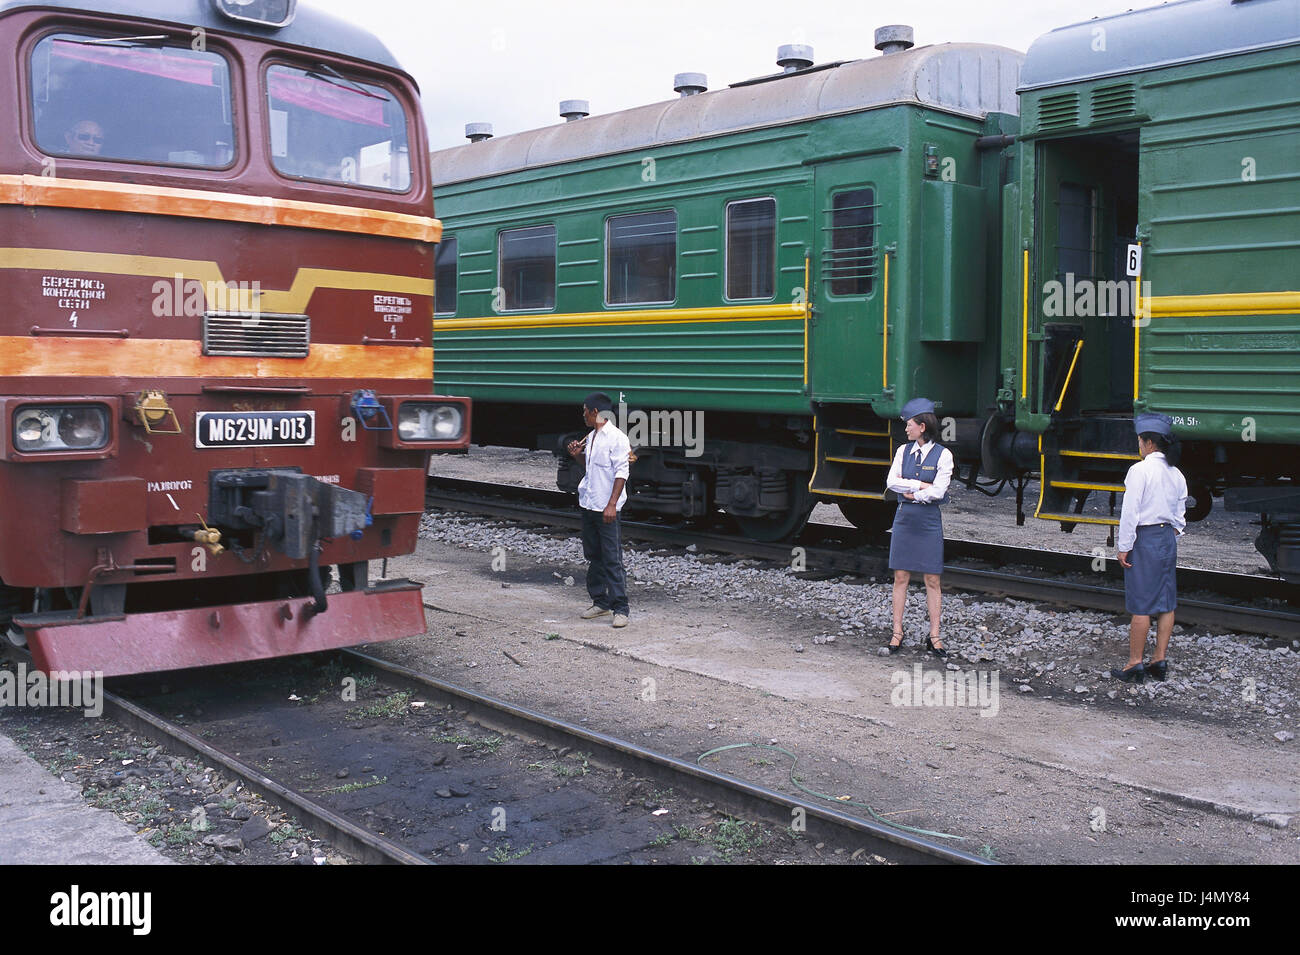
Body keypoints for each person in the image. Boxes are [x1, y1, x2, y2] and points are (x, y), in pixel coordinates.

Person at [1111, 412, 1188, 683]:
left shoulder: (1139, 471)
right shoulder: (1176, 473)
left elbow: (1130, 512)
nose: (1139, 445)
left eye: (1139, 441)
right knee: (1166, 603)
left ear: (1149, 443)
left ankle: (1135, 664)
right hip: (1166, 537)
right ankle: (1159, 660)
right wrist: (1170, 534)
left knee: (1141, 605)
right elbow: (1180, 515)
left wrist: (1124, 546)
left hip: (1144, 539)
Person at [884, 397, 954, 657]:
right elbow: (892, 482)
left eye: (909, 424)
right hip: (905, 518)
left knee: (932, 579)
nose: (906, 429)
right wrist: (922, 486)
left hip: (928, 521)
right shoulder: (903, 451)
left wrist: (915, 492)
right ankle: (897, 632)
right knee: (900, 577)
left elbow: (939, 491)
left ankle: (935, 636)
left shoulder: (944, 455)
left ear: (922, 427)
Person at [566, 392, 631, 628]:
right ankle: (600, 602)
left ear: (595, 412)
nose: (583, 414)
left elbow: (622, 473)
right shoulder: (592, 437)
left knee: (612, 559)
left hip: (606, 508)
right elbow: (591, 468)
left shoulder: (617, 438)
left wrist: (612, 504)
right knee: (594, 556)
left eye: (585, 410)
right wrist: (577, 457)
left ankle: (620, 609)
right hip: (589, 504)